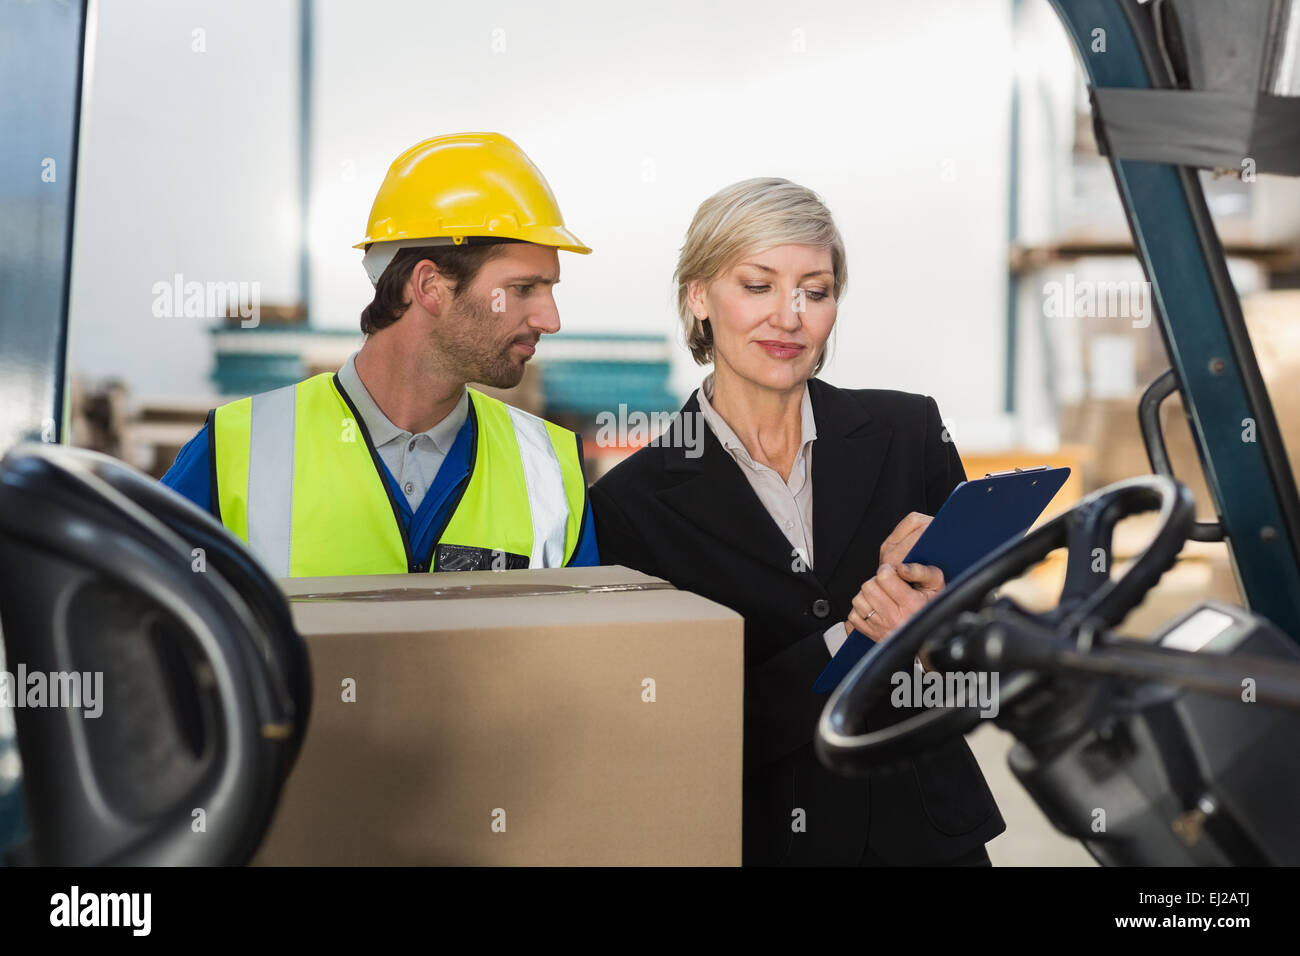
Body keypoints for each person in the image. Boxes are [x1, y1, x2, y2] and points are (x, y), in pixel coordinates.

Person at [589, 177, 1005, 865]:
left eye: (815, 290)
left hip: (930, 842)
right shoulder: (631, 505)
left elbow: (986, 679)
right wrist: (851, 640)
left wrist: (941, 633)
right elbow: (673, 731)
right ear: (698, 298)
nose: (790, 317)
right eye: (758, 286)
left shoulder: (910, 433)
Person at [161, 132, 599, 576]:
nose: (550, 319)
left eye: (549, 289)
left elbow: (581, 643)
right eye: (523, 289)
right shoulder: (236, 450)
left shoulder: (551, 469)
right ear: (430, 286)